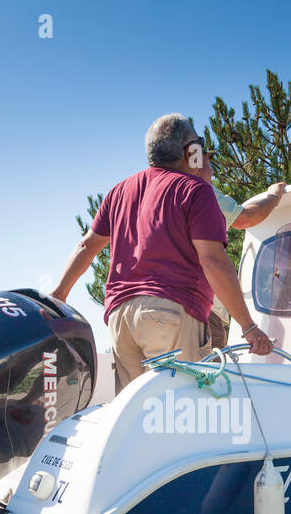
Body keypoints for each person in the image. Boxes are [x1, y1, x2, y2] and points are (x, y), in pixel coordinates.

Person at [50, 113, 273, 393]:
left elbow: (87, 246)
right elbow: (213, 261)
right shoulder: (195, 191)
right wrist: (249, 326)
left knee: (137, 416)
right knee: (179, 412)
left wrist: (58, 296)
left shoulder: (118, 192)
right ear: (191, 152)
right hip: (170, 311)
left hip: (121, 316)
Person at [191, 151, 286, 348]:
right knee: (208, 375)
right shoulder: (200, 190)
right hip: (200, 308)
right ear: (197, 166)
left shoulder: (156, 194)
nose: (212, 173)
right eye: (209, 166)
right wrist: (273, 196)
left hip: (143, 309)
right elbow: (246, 218)